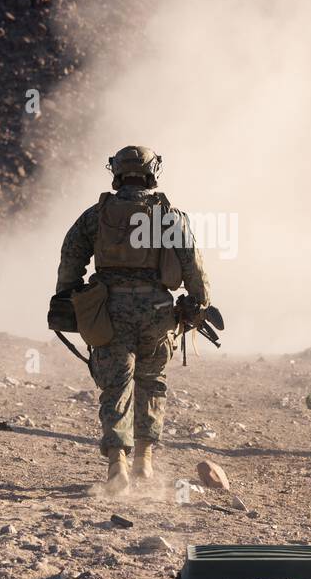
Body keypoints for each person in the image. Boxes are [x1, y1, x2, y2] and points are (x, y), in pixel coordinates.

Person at [55, 146, 211, 492]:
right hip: (157, 311)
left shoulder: (96, 215)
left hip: (108, 311)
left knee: (116, 385)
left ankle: (117, 463)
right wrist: (199, 303)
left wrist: (68, 295)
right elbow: (193, 265)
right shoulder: (170, 216)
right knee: (152, 381)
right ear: (152, 173)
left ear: (117, 173)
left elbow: (71, 257)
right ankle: (144, 458)